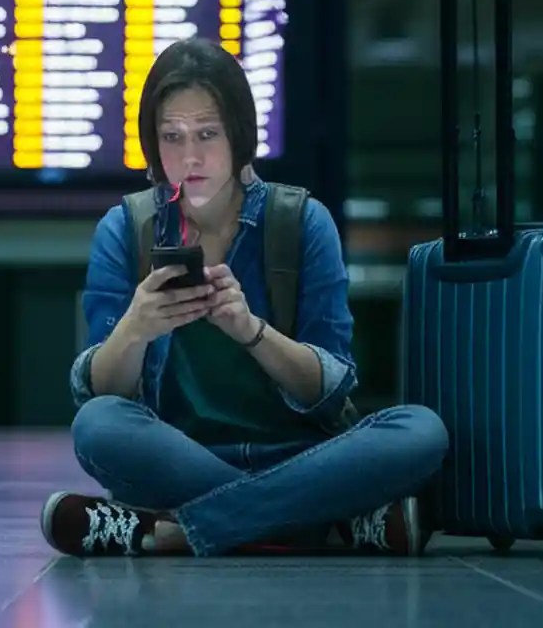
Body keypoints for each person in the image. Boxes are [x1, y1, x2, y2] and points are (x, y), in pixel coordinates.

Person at [39, 37, 448, 558]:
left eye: (208, 134)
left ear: (239, 136)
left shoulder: (300, 222)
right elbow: (102, 394)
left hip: (302, 454)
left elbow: (330, 385)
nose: (190, 156)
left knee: (420, 430)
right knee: (98, 427)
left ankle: (169, 530)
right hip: (182, 456)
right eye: (172, 136)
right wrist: (136, 329)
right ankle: (318, 524)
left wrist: (251, 331)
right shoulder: (126, 229)